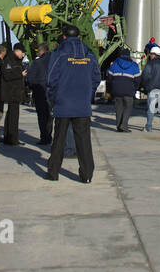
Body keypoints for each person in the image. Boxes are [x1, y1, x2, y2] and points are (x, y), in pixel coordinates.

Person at [45, 25, 99, 183]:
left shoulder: (59, 53)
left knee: (59, 140)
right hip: (82, 105)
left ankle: (53, 173)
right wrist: (88, 95)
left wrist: (53, 99)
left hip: (63, 104)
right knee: (84, 142)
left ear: (63, 37)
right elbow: (96, 77)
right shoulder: (89, 53)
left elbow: (51, 79)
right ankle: (87, 175)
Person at [107, 49, 141, 132]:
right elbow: (138, 79)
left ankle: (119, 126)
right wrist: (135, 88)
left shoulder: (114, 64)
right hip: (129, 90)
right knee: (128, 106)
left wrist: (111, 88)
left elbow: (109, 78)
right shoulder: (134, 65)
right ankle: (124, 125)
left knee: (118, 107)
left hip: (116, 90)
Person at [26, 43, 52, 144]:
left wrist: (32, 87)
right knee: (50, 116)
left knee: (42, 116)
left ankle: (44, 137)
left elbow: (30, 79)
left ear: (40, 51)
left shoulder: (37, 63)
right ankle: (49, 135)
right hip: (52, 92)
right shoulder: (54, 61)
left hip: (40, 93)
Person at [1, 44, 26, 145]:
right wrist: (20, 74)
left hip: (15, 92)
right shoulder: (9, 60)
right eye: (23, 53)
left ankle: (9, 137)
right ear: (17, 51)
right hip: (12, 92)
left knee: (11, 115)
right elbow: (7, 75)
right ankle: (12, 139)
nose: (23, 55)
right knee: (13, 117)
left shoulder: (16, 61)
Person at [142, 45, 160, 132]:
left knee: (151, 108)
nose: (150, 55)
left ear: (154, 54)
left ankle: (148, 127)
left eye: (151, 54)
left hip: (152, 88)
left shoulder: (150, 63)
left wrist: (144, 85)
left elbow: (145, 75)